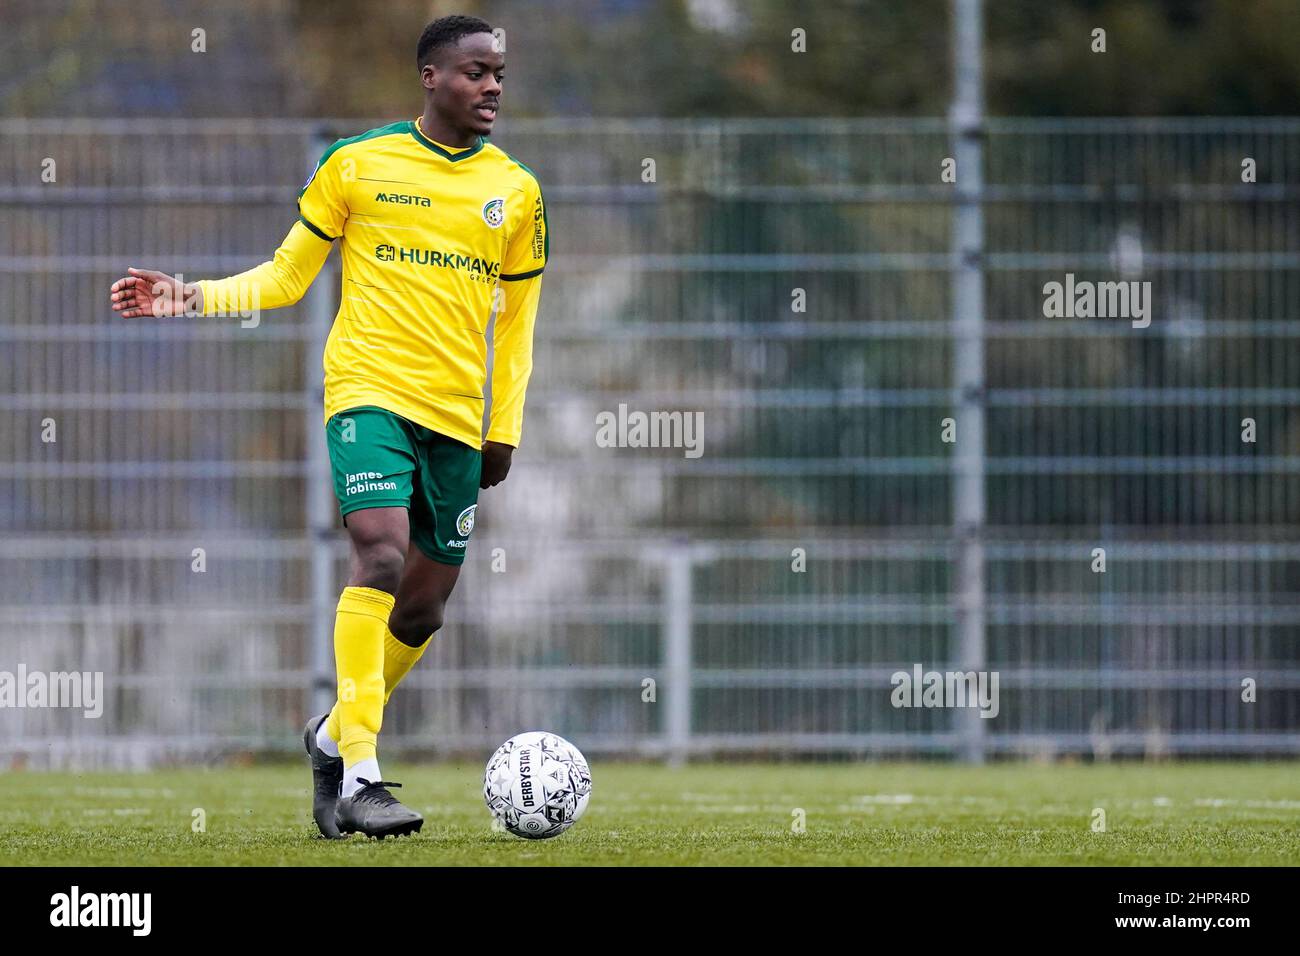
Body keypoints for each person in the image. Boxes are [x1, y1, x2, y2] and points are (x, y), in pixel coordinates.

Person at [108, 14, 547, 839]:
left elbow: (518, 326)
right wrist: (192, 294)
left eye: (499, 74)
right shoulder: (357, 163)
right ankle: (362, 776)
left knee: (421, 612)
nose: (492, 87)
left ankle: (329, 734)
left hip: (458, 415)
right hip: (368, 392)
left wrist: (505, 428)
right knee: (377, 551)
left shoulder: (517, 191)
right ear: (430, 76)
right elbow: (285, 278)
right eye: (475, 71)